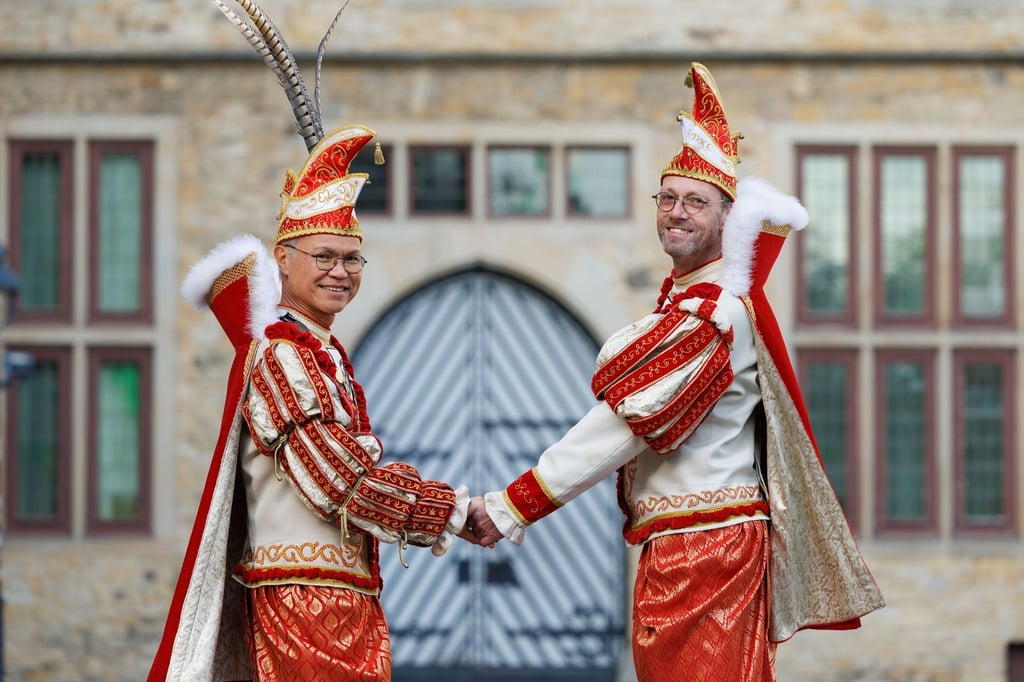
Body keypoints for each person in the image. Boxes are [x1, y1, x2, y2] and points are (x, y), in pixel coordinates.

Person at [467, 62, 886, 681]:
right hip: (685, 543)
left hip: (709, 547)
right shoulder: (689, 305)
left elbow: (631, 420)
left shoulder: (715, 314)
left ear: (726, 217)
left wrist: (512, 504)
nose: (677, 211)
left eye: (696, 201)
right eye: (667, 197)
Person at [149, 3, 492, 680]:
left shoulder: (320, 354)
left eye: (352, 258)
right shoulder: (277, 353)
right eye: (324, 256)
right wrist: (451, 510)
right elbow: (333, 479)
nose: (340, 271)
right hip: (300, 604)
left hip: (339, 599)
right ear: (284, 260)